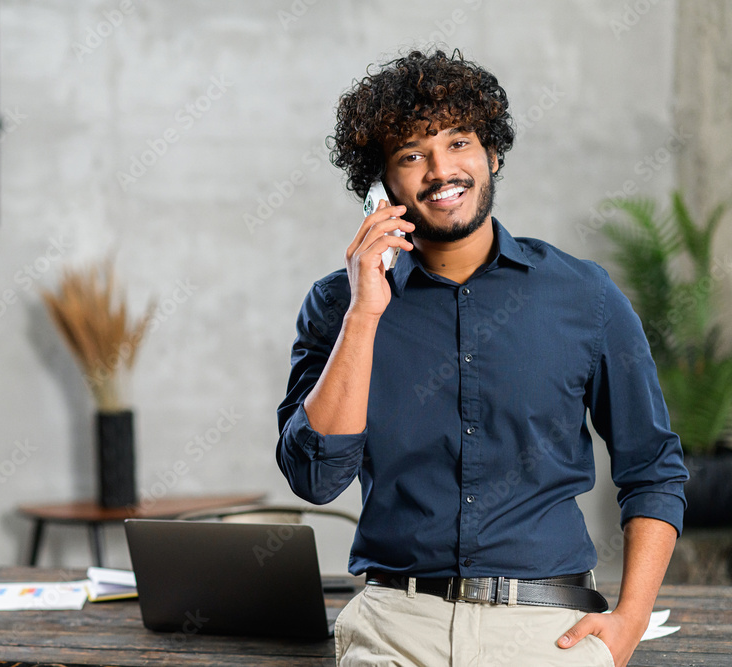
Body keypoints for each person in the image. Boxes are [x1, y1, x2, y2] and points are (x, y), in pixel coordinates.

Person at [276, 48, 688, 667]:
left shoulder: (585, 297)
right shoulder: (339, 306)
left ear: (492, 153)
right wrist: (364, 314)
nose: (441, 170)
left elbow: (652, 467)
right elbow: (315, 479)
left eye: (459, 142)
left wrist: (630, 618)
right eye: (411, 155)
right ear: (379, 187)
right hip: (395, 626)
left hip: (548, 627)